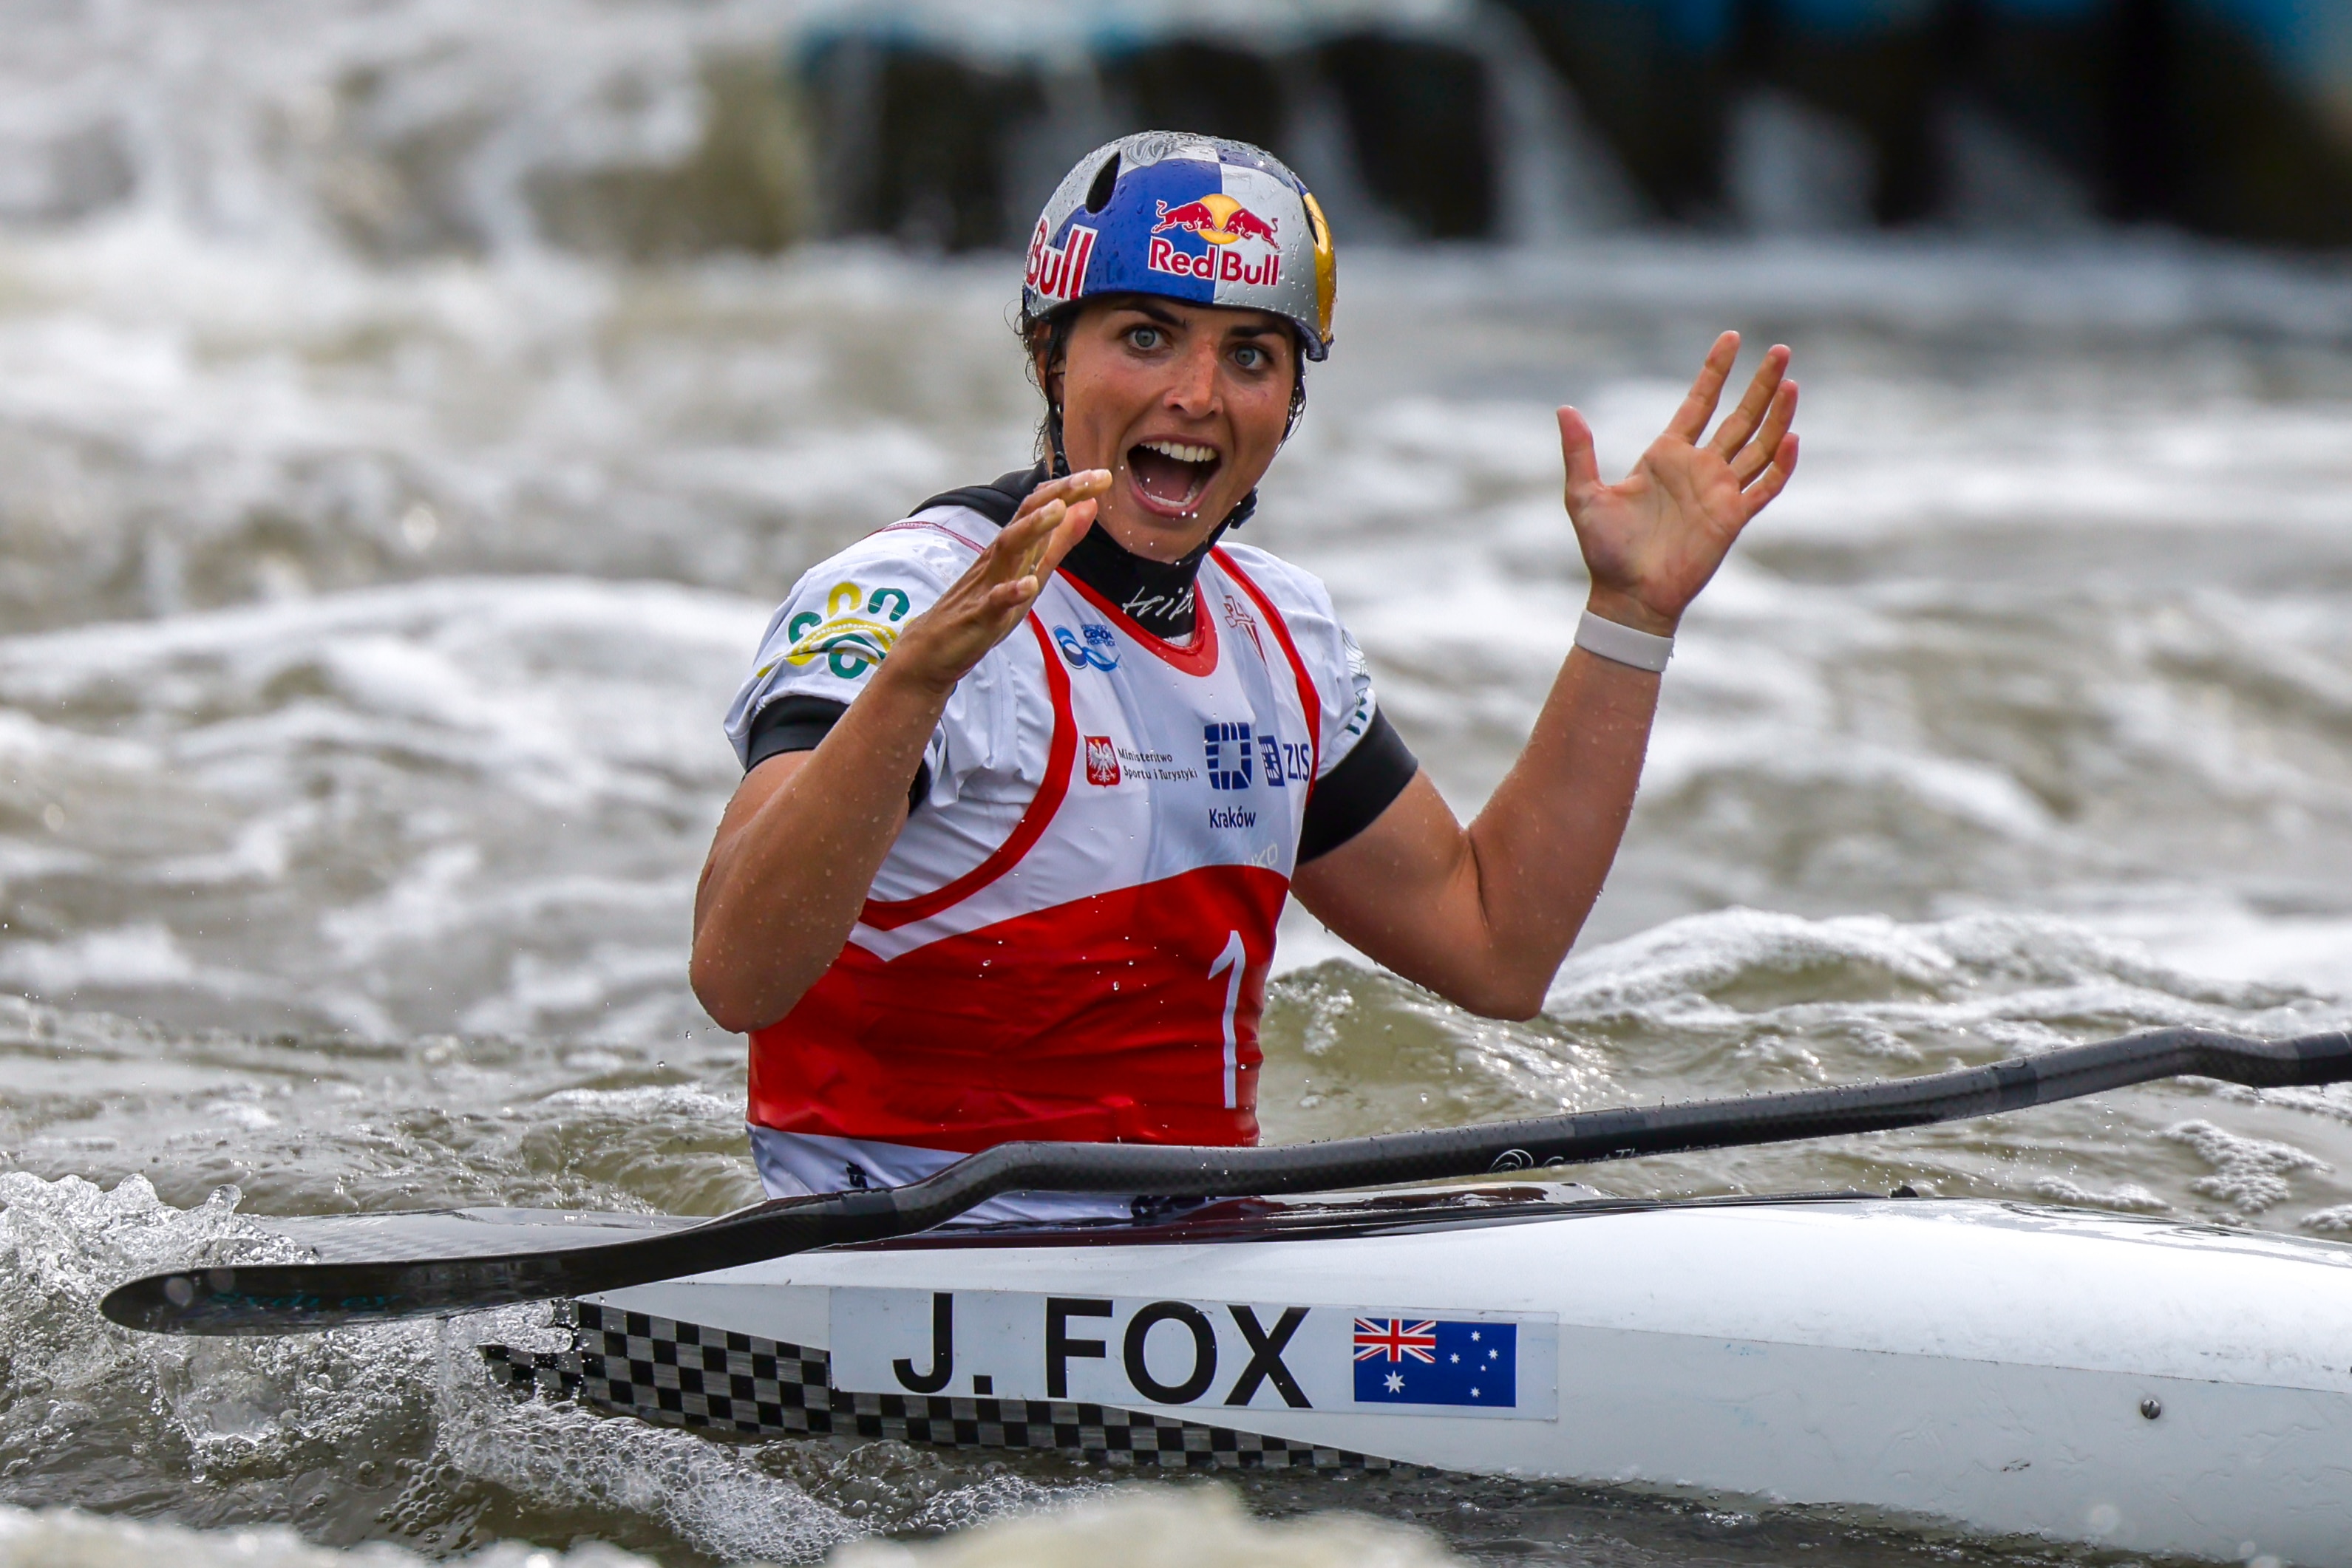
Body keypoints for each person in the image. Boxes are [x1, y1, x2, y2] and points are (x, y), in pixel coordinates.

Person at [690, 131, 1797, 1221]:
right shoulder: (901, 599)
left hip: (1199, 1269)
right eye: (1146, 336)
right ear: (1049, 358)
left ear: (1290, 405)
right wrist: (910, 688)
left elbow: (1496, 947)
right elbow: (737, 975)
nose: (1197, 394)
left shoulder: (1279, 633)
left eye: (1250, 355)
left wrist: (1630, 616)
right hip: (906, 1261)